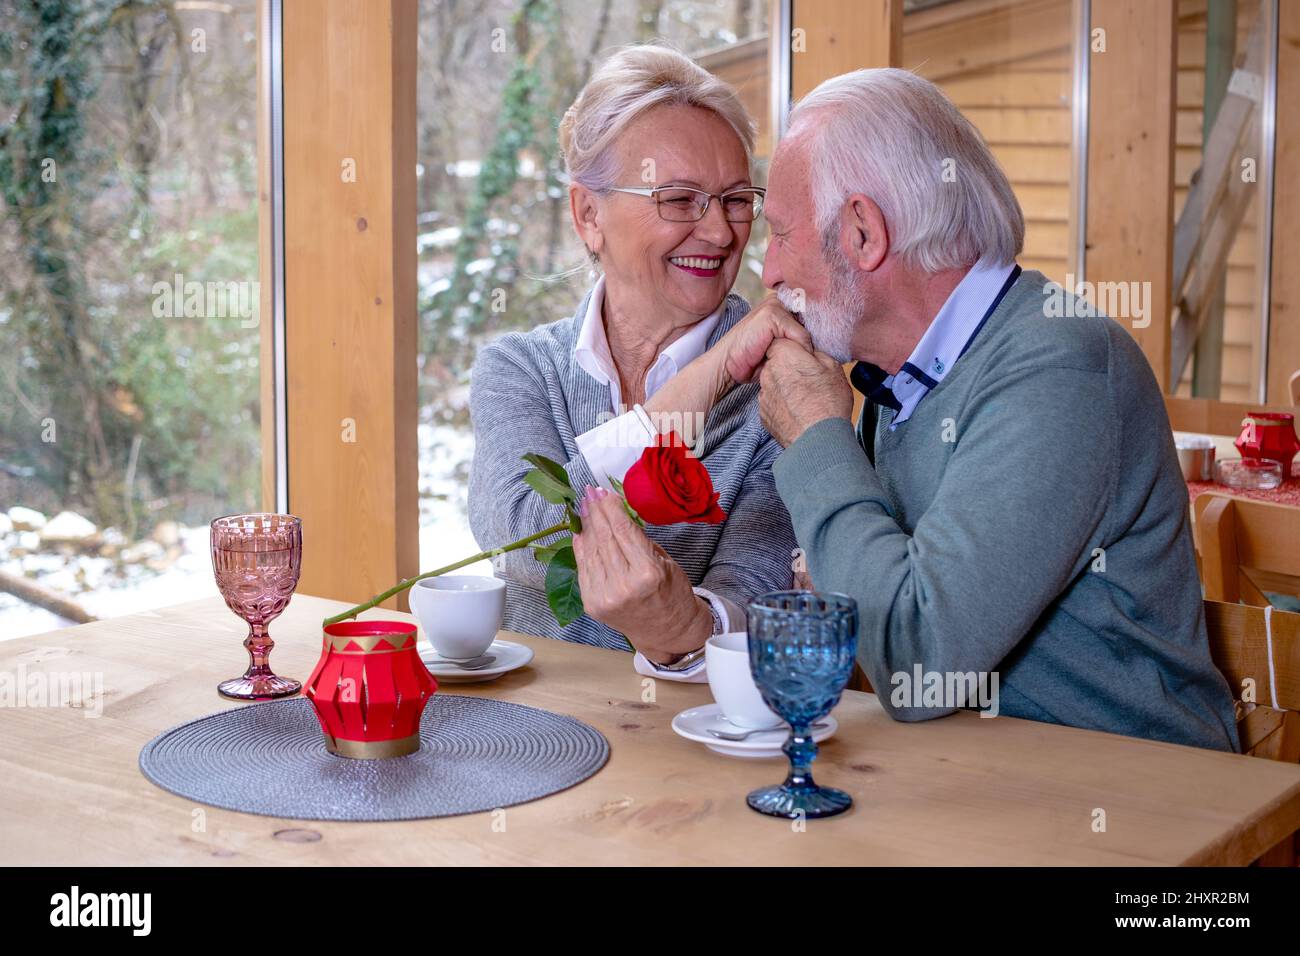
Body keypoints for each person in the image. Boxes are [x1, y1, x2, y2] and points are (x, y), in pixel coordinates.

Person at [644, 67, 1241, 751]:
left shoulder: (1059, 368)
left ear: (864, 232)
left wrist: (815, 436)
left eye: (780, 234)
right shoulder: (897, 379)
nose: (769, 271)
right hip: (960, 779)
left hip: (1135, 804)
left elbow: (915, 661)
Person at [468, 44, 805, 678]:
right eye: (679, 199)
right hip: (530, 725)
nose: (720, 231)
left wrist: (680, 632)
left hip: (700, 738)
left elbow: (762, 594)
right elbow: (522, 541)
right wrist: (703, 380)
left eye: (736, 199)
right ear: (588, 214)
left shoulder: (784, 374)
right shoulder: (520, 370)